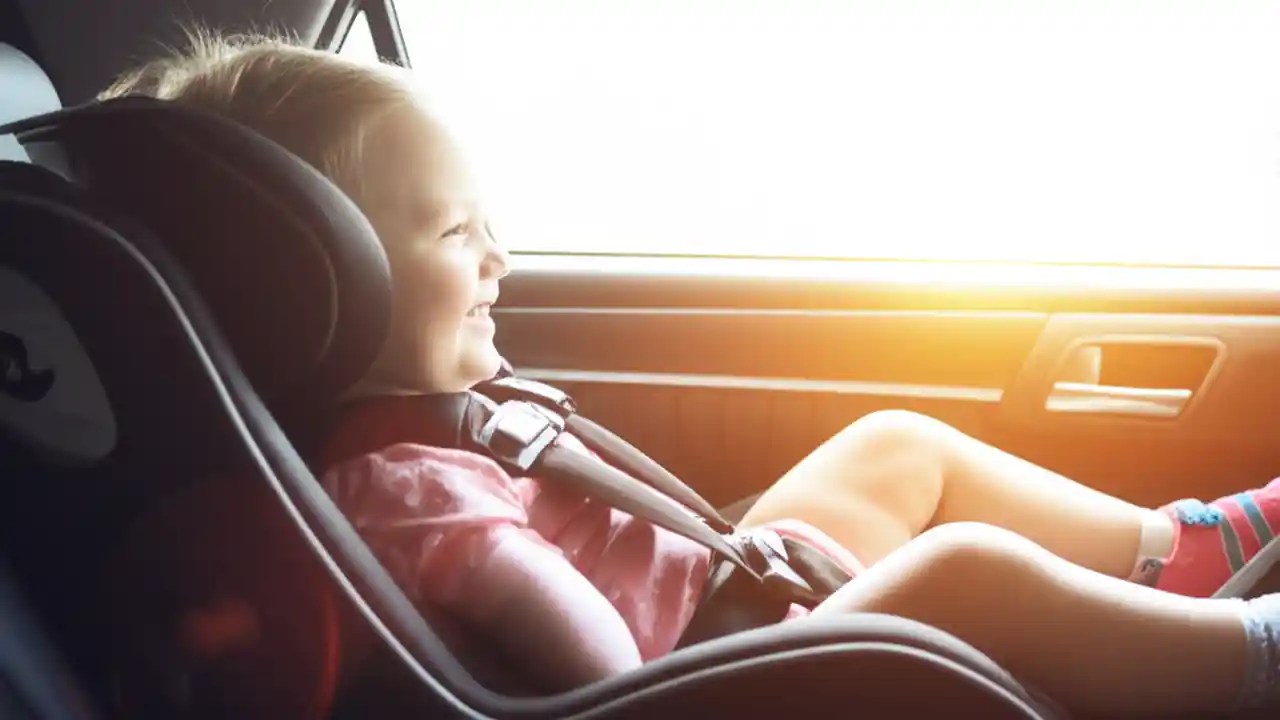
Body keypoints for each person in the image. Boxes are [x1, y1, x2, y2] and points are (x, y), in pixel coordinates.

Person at [101, 31, 1280, 717]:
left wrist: (761, 580)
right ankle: (1241, 661)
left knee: (893, 444)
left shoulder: (439, 431)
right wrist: (794, 626)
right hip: (706, 683)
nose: (498, 256)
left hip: (724, 606)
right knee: (963, 572)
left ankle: (1181, 549)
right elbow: (618, 691)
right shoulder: (410, 490)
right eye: (454, 233)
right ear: (311, 290)